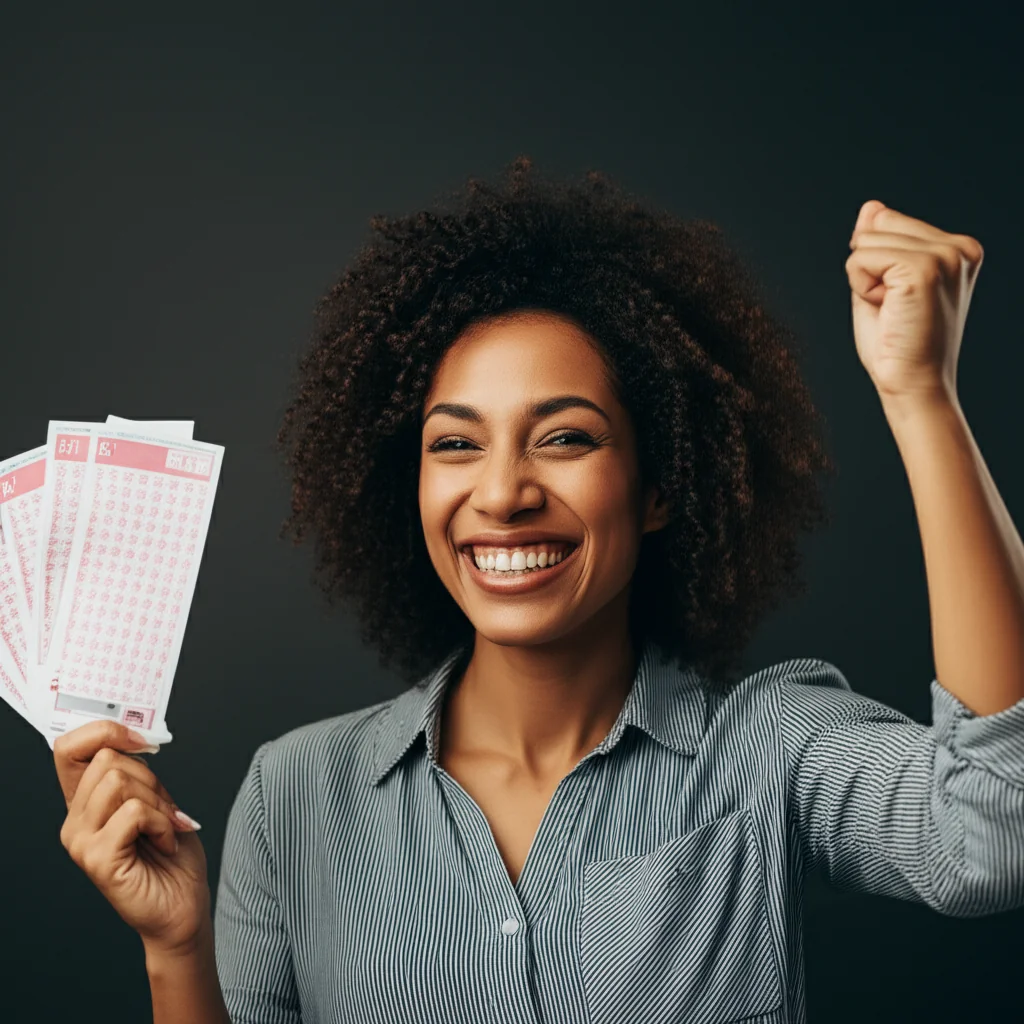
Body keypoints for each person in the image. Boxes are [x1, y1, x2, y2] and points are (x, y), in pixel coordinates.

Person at [53, 158, 1024, 1024]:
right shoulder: (295, 792)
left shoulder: (766, 746)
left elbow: (996, 827)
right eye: (455, 443)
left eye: (564, 437)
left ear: (658, 486)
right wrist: (174, 947)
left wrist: (920, 395)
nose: (503, 492)